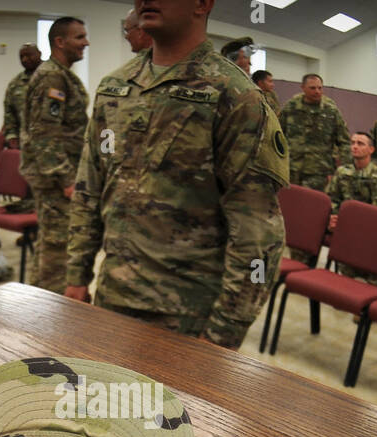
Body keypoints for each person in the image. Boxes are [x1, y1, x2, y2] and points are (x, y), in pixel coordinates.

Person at [64, 0, 288, 349]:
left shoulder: (235, 96)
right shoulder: (115, 86)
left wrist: (223, 333)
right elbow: (89, 186)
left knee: (166, 407)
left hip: (186, 319)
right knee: (106, 401)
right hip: (111, 297)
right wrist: (77, 273)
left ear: (203, 4)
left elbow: (258, 232)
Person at [21, 16, 89, 294]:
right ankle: (52, 314)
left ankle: (40, 305)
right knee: (58, 248)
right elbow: (44, 132)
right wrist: (66, 180)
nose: (86, 42)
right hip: (56, 180)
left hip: (56, 176)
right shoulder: (52, 75)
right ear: (60, 42)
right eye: (80, 37)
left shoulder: (60, 74)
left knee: (50, 245)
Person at [278, 74, 348, 264]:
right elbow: (277, 135)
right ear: (303, 88)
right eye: (313, 88)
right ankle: (294, 260)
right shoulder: (291, 107)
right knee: (292, 217)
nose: (317, 92)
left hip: (317, 173)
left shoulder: (331, 110)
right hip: (292, 171)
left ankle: (309, 261)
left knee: (311, 219)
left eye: (320, 88)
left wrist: (346, 171)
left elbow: (344, 141)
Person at [328, 132, 377, 283]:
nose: (355, 146)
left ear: (371, 150)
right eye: (353, 143)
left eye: (360, 143)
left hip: (370, 234)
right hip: (344, 230)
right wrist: (333, 216)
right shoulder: (342, 172)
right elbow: (332, 198)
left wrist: (348, 223)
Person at [2, 44, 42, 149]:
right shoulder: (15, 84)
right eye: (21, 57)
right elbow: (9, 114)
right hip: (25, 143)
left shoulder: (55, 76)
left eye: (29, 55)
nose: (25, 59)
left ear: (40, 54)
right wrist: (12, 136)